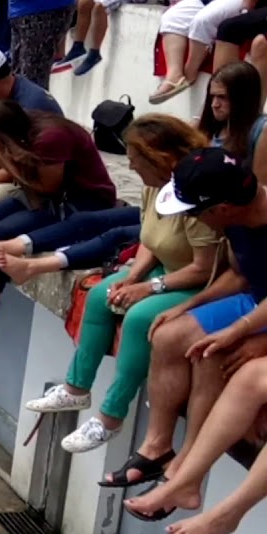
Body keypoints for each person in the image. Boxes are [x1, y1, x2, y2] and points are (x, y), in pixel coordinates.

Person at [18, 115, 218, 454]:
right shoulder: (155, 185)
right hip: (165, 270)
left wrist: (149, 289)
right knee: (99, 294)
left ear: (159, 159)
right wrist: (131, 276)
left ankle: (111, 417)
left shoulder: (194, 193)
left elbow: (204, 268)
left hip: (197, 283)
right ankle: (76, 388)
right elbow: (150, 242)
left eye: (136, 160)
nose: (130, 166)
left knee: (139, 319)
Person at [118, 148, 267, 534]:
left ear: (222, 208)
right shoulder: (235, 220)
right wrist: (191, 305)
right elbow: (240, 275)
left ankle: (188, 471)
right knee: (171, 335)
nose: (191, 220)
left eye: (194, 211)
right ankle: (163, 450)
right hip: (256, 301)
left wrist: (242, 334)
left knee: (213, 354)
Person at [0, 99, 117, 329]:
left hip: (83, 201)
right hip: (41, 194)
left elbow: (48, 186)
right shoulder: (20, 127)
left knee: (2, 231)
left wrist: (6, 161)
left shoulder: (50, 137)